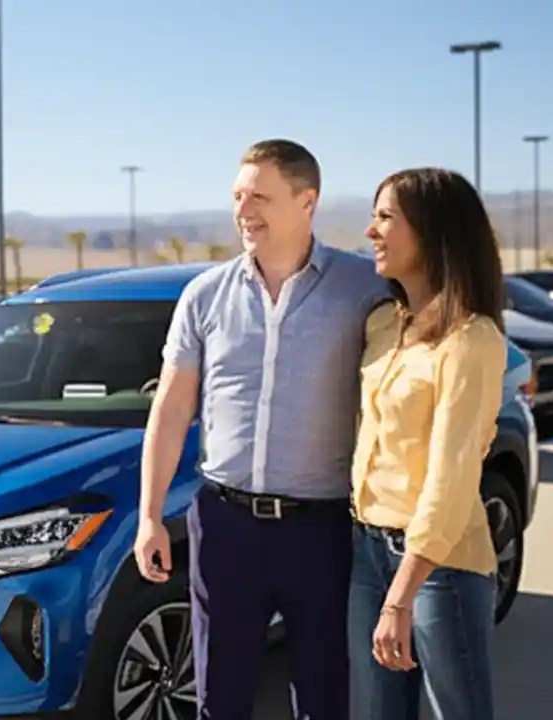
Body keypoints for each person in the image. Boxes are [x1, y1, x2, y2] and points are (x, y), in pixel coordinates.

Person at [133, 139, 389, 718]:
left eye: (260, 197)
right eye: (238, 197)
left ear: (307, 201)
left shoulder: (365, 290)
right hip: (225, 526)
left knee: (322, 694)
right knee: (219, 696)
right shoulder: (204, 296)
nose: (243, 211)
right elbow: (170, 410)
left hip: (322, 530)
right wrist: (149, 517)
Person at [348, 167, 506, 720]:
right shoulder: (382, 326)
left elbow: (452, 477)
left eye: (386, 217)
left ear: (434, 230)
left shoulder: (471, 341)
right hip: (368, 549)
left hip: (440, 568)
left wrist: (401, 595)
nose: (371, 231)